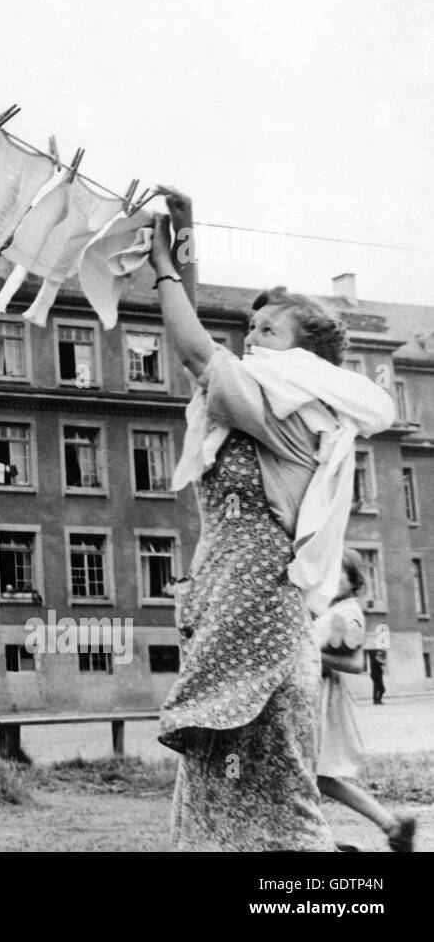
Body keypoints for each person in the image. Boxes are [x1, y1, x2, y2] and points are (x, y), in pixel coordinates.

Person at [151, 187, 395, 851]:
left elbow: (197, 353)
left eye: (267, 330)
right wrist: (186, 232)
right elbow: (206, 358)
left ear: (302, 356)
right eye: (250, 328)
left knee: (282, 818)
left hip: (261, 640)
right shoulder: (259, 403)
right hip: (229, 629)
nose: (250, 340)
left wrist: (164, 269)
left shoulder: (292, 416)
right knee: (211, 808)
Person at [316, 550, 417, 851]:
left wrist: (308, 653)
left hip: (318, 699)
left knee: (309, 774)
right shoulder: (329, 608)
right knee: (315, 777)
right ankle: (389, 826)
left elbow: (355, 663)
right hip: (311, 693)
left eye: (340, 574)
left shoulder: (349, 612)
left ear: (355, 581)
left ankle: (322, 842)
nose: (332, 579)